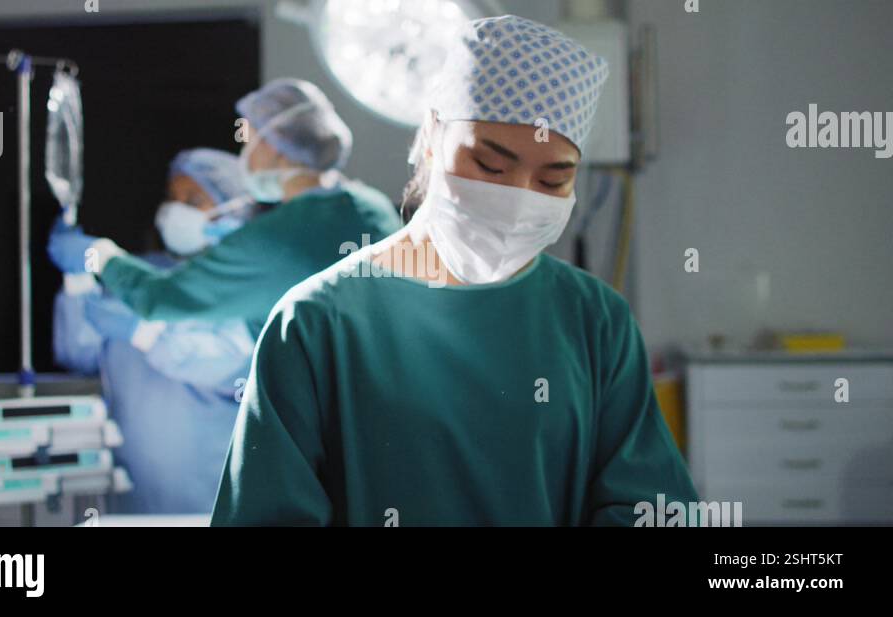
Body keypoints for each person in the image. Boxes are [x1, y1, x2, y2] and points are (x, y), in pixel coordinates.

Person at [211, 15, 699, 526]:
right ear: (430, 138)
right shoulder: (317, 324)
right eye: (489, 166)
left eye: (553, 180)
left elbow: (657, 510)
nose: (517, 198)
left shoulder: (595, 320)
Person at [47, 79, 402, 342]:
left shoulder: (268, 241)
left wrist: (101, 255)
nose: (244, 151)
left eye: (249, 138)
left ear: (278, 147)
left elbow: (161, 299)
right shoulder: (374, 208)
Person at [53, 148, 262, 514]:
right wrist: (77, 278)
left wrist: (143, 332)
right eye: (171, 198)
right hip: (131, 498)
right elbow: (78, 354)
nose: (174, 210)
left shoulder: (244, 288)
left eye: (193, 200)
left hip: (211, 498)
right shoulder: (136, 276)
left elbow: (231, 369)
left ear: (235, 210)